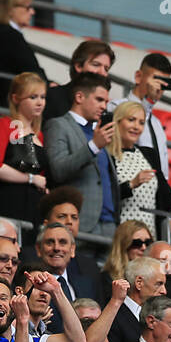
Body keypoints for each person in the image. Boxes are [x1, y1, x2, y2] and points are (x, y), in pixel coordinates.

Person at [45, 72, 119, 237]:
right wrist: (94, 146)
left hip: (109, 226)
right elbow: (58, 169)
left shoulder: (99, 132)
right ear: (79, 97)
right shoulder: (58, 125)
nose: (104, 107)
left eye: (106, 102)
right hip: (80, 224)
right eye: (99, 100)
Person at [109, 99, 171, 239]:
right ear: (118, 122)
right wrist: (131, 184)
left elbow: (164, 191)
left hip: (149, 236)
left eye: (141, 122)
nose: (136, 127)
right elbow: (106, 195)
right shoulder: (107, 155)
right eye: (131, 120)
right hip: (120, 236)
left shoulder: (149, 154)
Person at [0, 70, 47, 227]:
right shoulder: (4, 125)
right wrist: (30, 179)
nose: (40, 102)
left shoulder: (40, 135)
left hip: (34, 209)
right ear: (15, 98)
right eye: (33, 97)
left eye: (43, 97)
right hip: (7, 203)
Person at [110, 52, 171, 184]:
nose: (159, 87)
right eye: (155, 80)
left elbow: (163, 170)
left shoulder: (156, 124)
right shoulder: (116, 107)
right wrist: (148, 101)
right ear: (138, 77)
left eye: (164, 83)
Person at [0, 0, 43, 108]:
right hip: (15, 112)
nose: (32, 12)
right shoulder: (9, 36)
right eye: (28, 7)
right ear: (10, 9)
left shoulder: (4, 34)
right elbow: (31, 72)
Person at [43, 39, 113, 121]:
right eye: (96, 65)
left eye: (106, 69)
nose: (102, 73)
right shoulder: (52, 97)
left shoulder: (103, 110)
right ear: (78, 66)